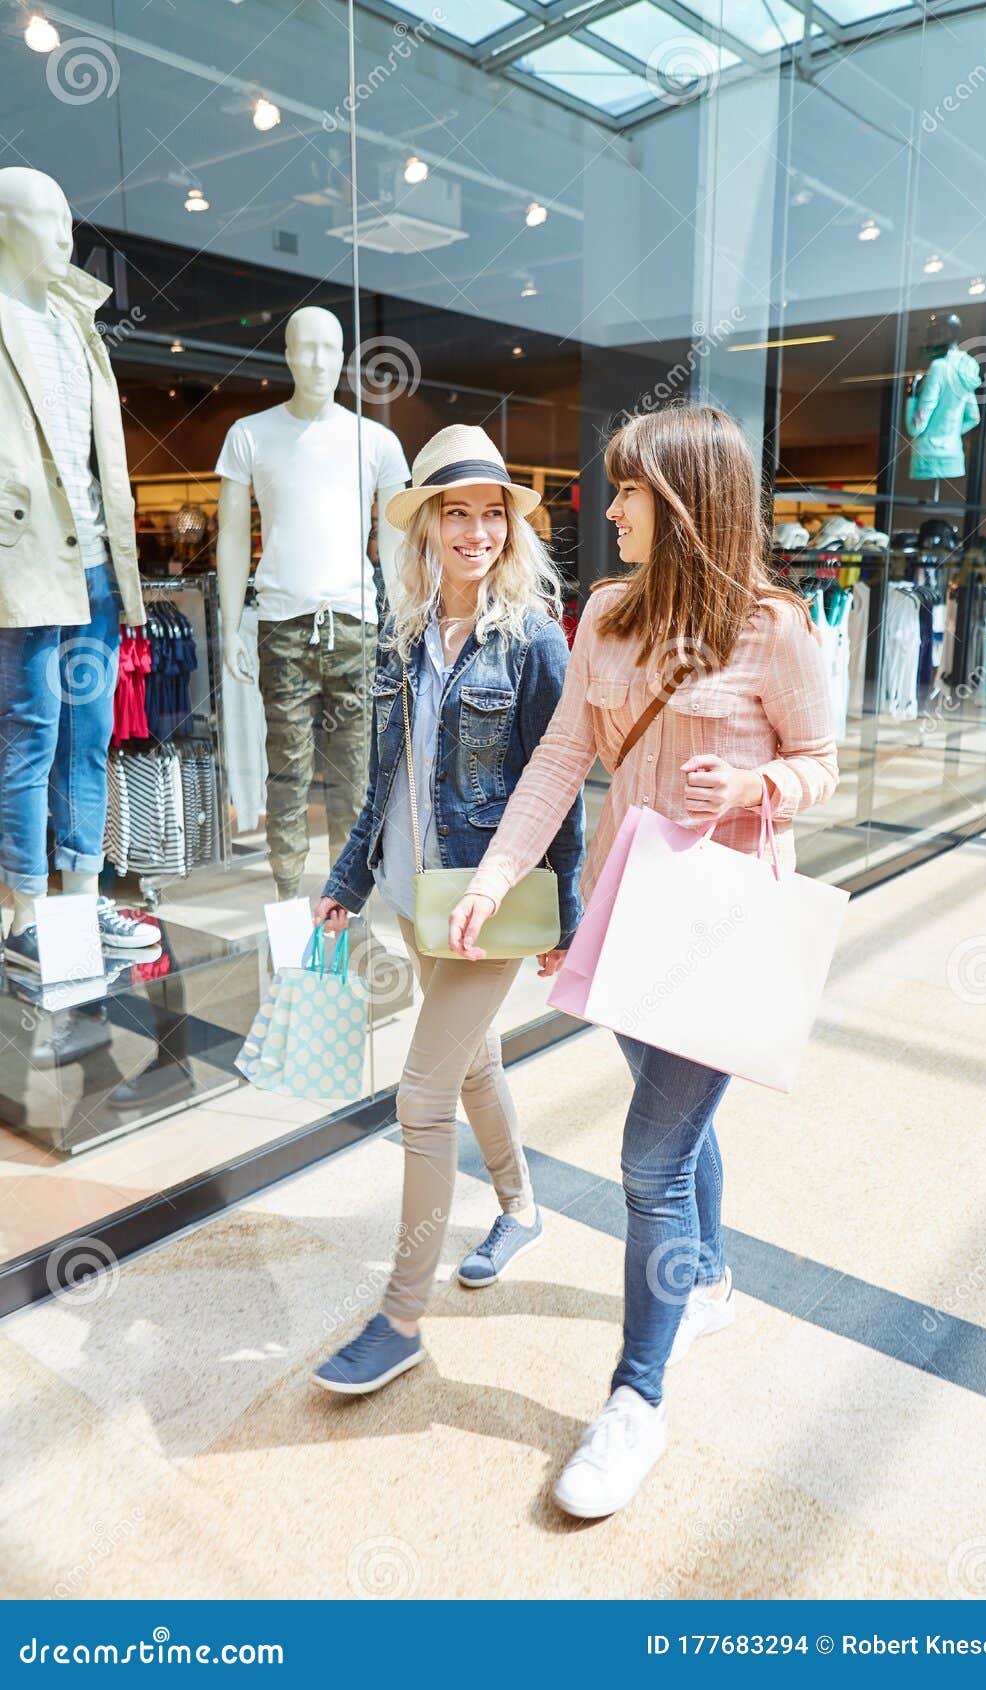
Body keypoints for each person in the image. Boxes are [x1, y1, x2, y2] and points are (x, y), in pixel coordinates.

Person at [449, 404, 838, 1517]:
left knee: (647, 1161)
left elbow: (819, 759)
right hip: (630, 916)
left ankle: (635, 1400)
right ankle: (707, 1276)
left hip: (720, 924)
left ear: (679, 507)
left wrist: (762, 786)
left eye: (625, 492)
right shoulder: (607, 617)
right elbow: (558, 759)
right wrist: (495, 878)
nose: (605, 507)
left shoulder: (772, 630)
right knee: (679, 1127)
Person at [310, 425, 584, 1395]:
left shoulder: (537, 639)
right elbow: (382, 783)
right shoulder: (400, 637)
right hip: (411, 898)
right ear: (425, 526)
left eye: (490, 514)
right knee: (472, 1063)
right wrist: (345, 882)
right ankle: (519, 1207)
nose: (475, 531)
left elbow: (562, 782)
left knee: (419, 1097)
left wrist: (566, 911)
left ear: (510, 529)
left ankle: (400, 1316)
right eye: (455, 513)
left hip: (484, 903)